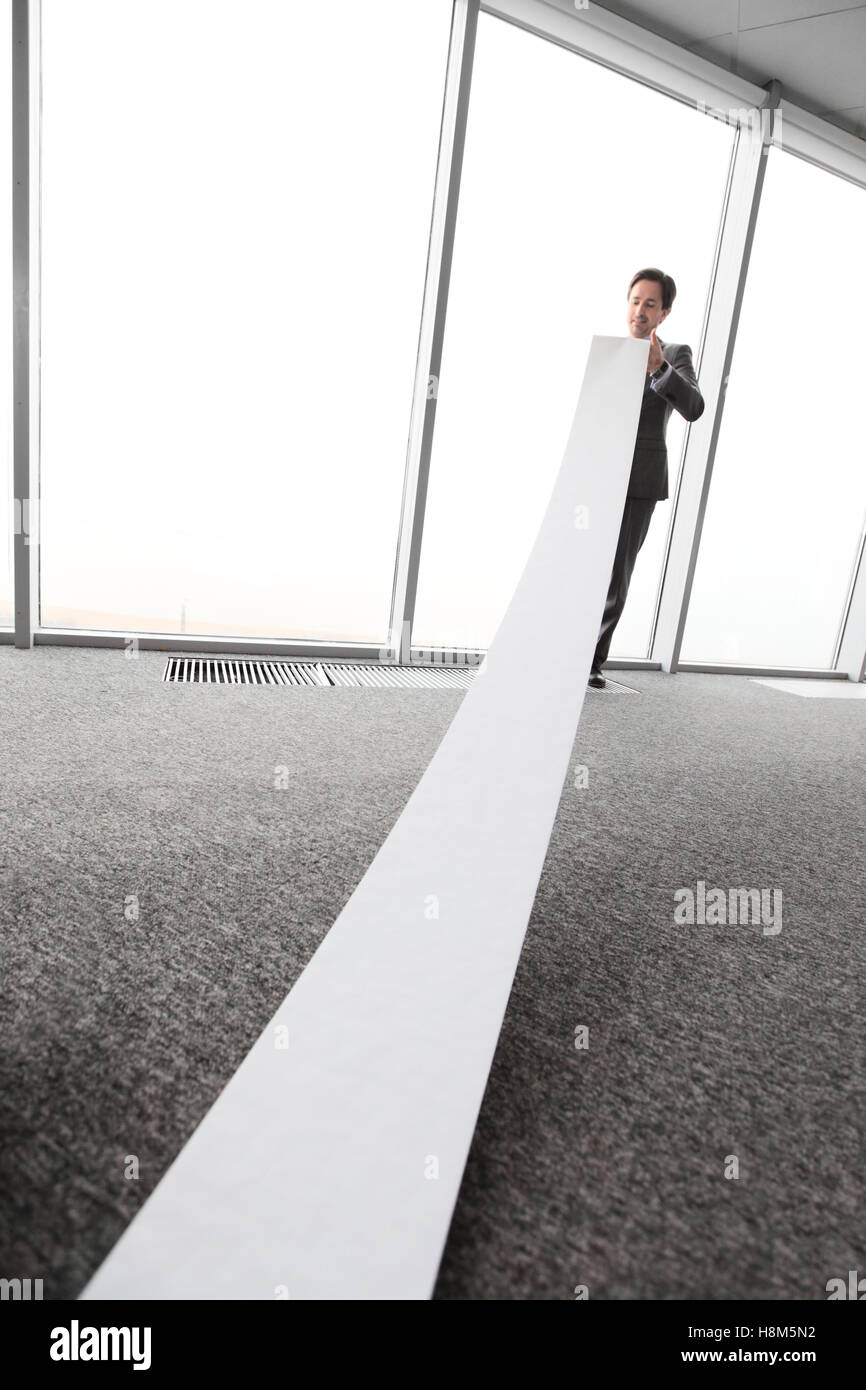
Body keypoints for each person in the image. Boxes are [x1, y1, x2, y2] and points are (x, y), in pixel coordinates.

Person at [589, 268, 705, 689]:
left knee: (617, 571)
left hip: (640, 478)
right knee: (582, 563)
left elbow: (694, 406)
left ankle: (592, 661)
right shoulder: (609, 352)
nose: (640, 310)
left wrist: (660, 371)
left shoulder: (675, 353)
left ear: (665, 312)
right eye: (635, 301)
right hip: (595, 474)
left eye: (650, 304)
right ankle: (563, 646)